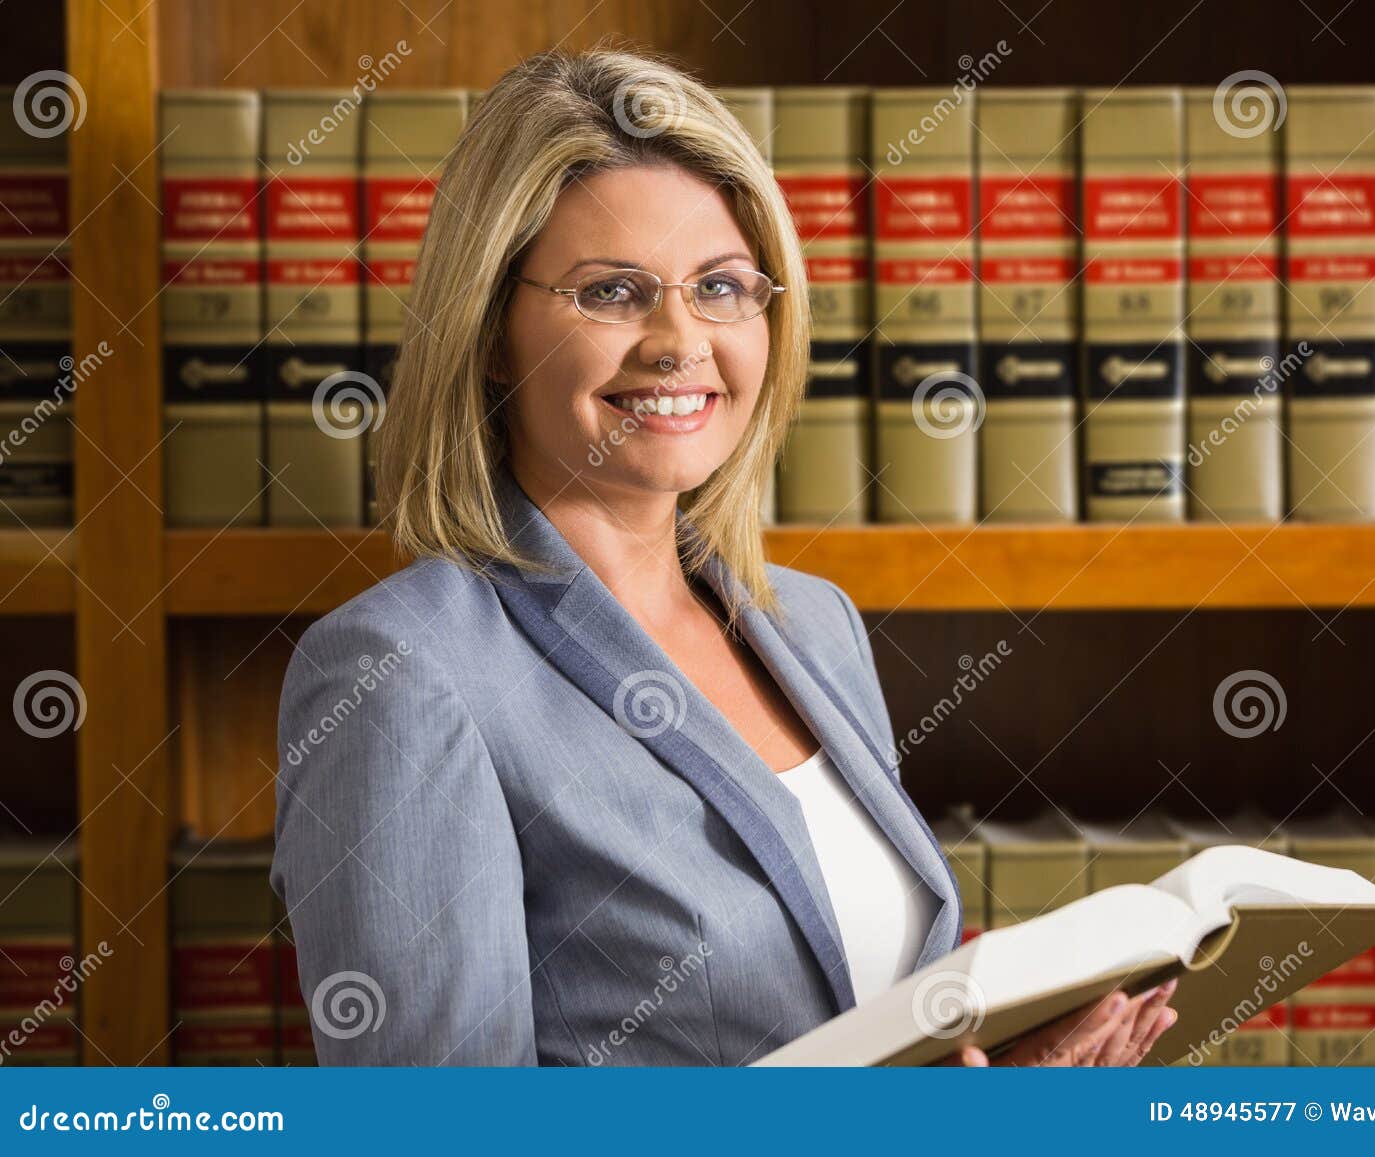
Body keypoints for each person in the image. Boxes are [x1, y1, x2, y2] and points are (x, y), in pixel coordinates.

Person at [271, 45, 1178, 1067]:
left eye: (720, 286)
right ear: (488, 329)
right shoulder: (402, 670)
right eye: (611, 291)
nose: (678, 340)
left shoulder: (810, 622)